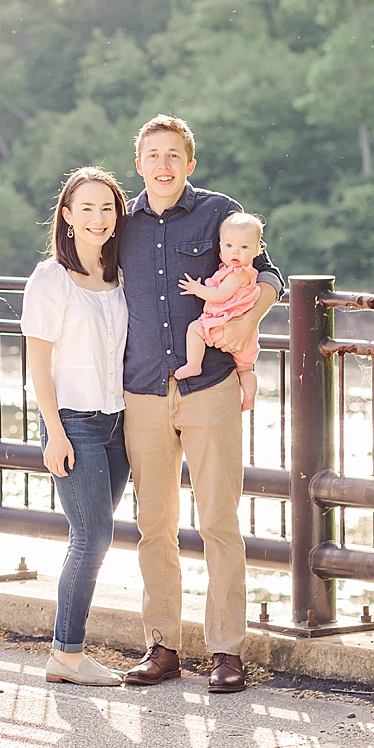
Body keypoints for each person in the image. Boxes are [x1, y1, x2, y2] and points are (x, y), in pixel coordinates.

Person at [118, 115, 282, 694]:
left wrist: (249, 323)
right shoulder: (121, 221)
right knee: (154, 525)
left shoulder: (219, 213)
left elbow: (268, 275)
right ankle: (162, 646)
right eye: (152, 154)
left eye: (174, 155)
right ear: (139, 163)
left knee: (218, 521)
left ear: (190, 163)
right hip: (141, 389)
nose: (163, 164)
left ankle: (227, 652)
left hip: (208, 386)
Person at [20, 166, 132, 687]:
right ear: (66, 216)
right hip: (74, 425)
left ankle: (67, 651)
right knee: (92, 538)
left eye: (106, 208)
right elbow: (38, 364)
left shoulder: (119, 276)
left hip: (118, 426)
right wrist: (54, 433)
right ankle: (66, 654)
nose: (97, 218)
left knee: (93, 537)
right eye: (85, 208)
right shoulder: (51, 278)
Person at [174, 212, 265, 411]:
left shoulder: (237, 274)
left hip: (225, 324)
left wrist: (196, 289)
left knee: (195, 329)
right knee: (245, 369)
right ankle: (249, 395)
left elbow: (220, 295)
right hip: (245, 335)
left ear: (257, 251)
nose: (236, 252)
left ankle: (193, 365)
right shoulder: (245, 273)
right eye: (229, 246)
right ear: (221, 249)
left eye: (244, 247)